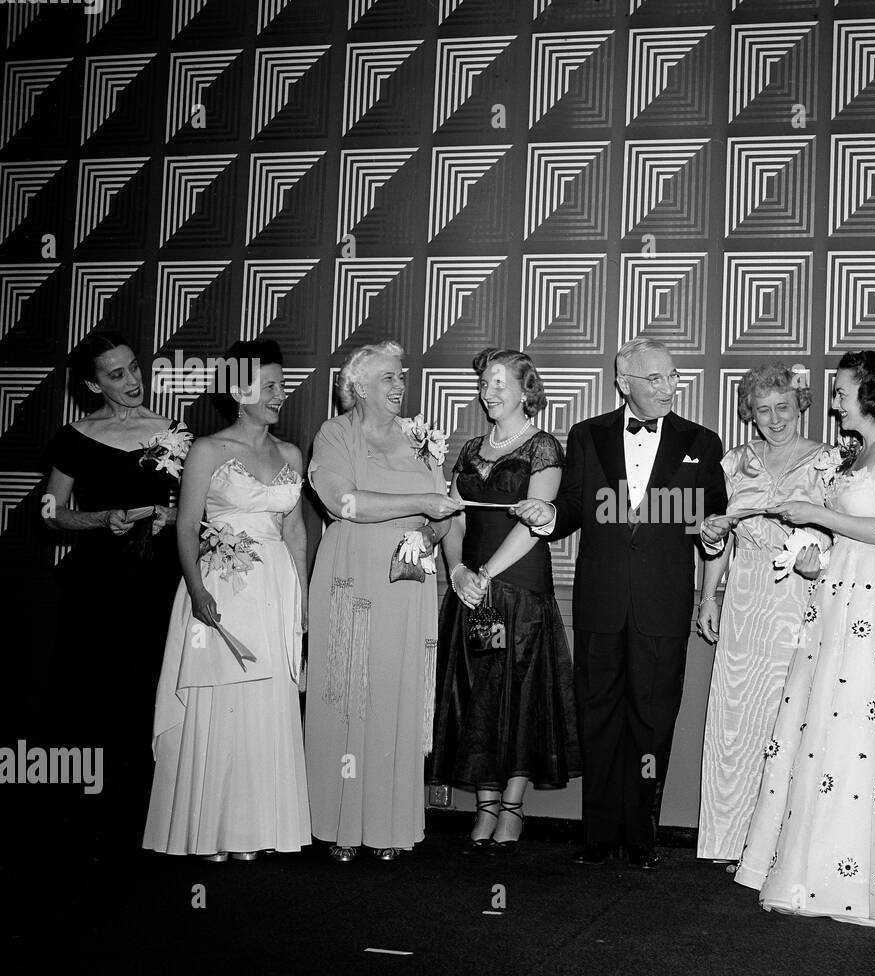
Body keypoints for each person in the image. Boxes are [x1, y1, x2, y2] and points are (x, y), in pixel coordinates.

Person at [734, 351, 875, 932]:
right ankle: (816, 865)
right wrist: (816, 561)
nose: (833, 399)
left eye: (841, 389)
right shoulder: (861, 454)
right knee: (823, 729)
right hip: (838, 597)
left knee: (867, 722)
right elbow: (854, 537)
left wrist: (814, 511)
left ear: (869, 391)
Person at [512, 337, 726, 869]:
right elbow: (573, 508)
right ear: (623, 382)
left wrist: (716, 538)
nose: (669, 387)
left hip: (664, 602)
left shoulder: (701, 441)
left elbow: (711, 518)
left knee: (653, 721)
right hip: (602, 601)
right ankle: (599, 835)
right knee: (598, 716)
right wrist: (547, 518)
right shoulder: (587, 435)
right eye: (655, 378)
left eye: (673, 377)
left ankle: (641, 838)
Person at [144, 344, 310, 860]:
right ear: (239, 392)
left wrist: (300, 606)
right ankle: (209, 832)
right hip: (222, 585)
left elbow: (297, 534)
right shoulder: (208, 451)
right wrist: (197, 591)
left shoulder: (291, 455)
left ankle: (254, 832)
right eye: (270, 386)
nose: (281, 395)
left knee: (264, 707)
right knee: (221, 701)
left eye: (283, 386)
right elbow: (188, 528)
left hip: (276, 589)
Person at [304, 341, 462, 862]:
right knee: (349, 696)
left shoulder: (420, 439)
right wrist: (421, 503)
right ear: (359, 386)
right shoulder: (334, 434)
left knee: (396, 696)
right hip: (350, 578)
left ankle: (391, 825)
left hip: (407, 584)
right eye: (389, 378)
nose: (399, 386)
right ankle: (343, 824)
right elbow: (343, 502)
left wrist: (434, 535)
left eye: (402, 377)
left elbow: (445, 515)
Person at [429, 348, 580, 852]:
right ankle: (486, 806)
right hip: (470, 589)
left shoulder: (543, 448)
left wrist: (487, 574)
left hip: (519, 590)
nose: (488, 392)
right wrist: (457, 571)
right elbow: (453, 519)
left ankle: (512, 808)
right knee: (478, 697)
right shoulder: (470, 448)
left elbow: (537, 524)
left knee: (520, 698)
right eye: (485, 384)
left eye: (499, 383)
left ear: (525, 390)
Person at [44, 331, 183, 840]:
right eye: (116, 374)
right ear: (92, 383)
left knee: (151, 686)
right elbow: (52, 513)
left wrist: (174, 514)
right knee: (93, 689)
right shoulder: (74, 436)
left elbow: (201, 509)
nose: (132, 380)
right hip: (97, 584)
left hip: (158, 580)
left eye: (134, 367)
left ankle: (153, 808)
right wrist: (104, 518)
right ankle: (91, 815)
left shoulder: (173, 431)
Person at [695, 364, 827, 864]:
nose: (774, 419)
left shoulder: (827, 462)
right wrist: (709, 595)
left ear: (801, 407)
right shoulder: (733, 464)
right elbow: (720, 538)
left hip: (800, 596)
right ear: (749, 413)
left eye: (784, 409)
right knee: (738, 720)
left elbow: (840, 536)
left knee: (789, 718)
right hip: (745, 597)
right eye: (763, 410)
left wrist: (819, 566)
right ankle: (734, 842)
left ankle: (783, 847)